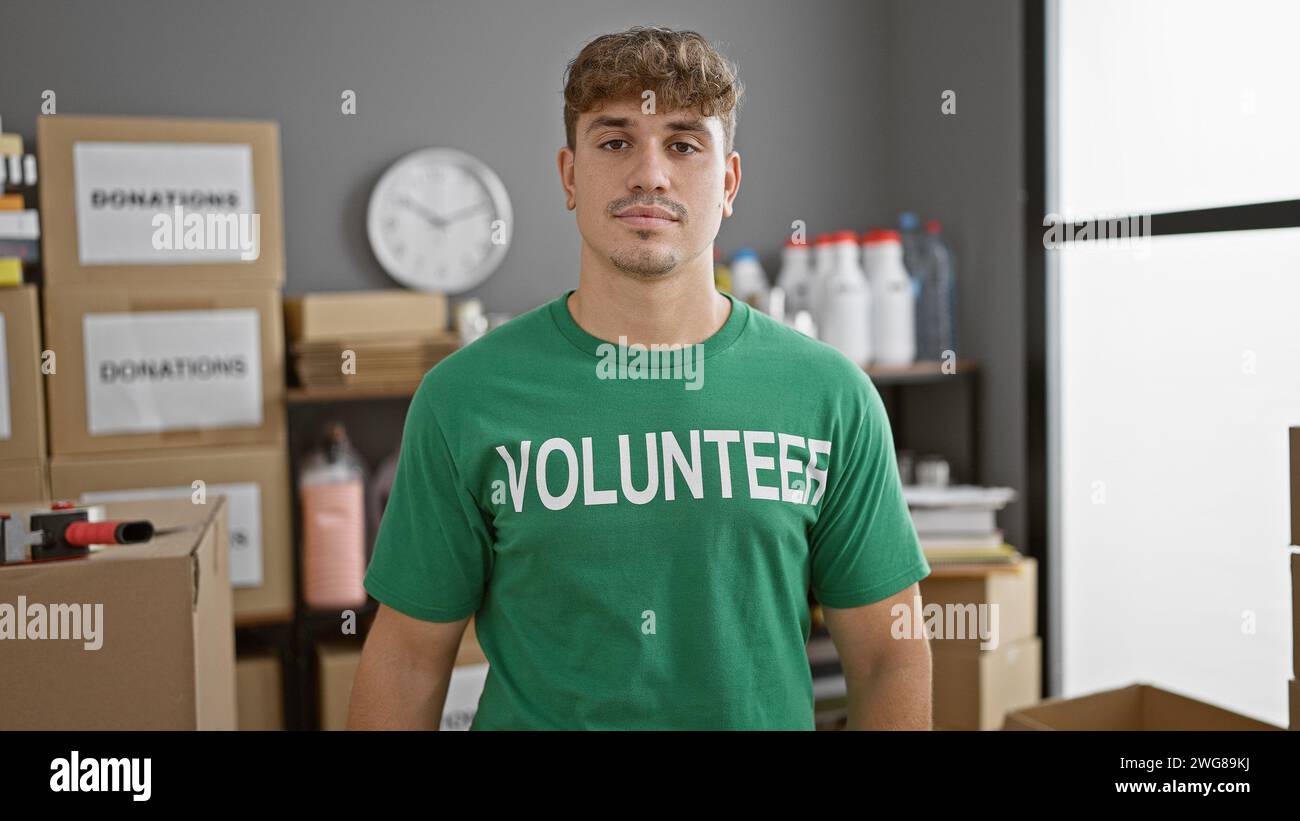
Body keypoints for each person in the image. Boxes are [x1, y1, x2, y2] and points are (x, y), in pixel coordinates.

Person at [348, 25, 931, 730]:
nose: (649, 174)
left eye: (684, 144)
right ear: (570, 174)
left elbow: (887, 658)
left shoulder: (832, 397)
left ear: (729, 181)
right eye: (616, 141)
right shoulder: (462, 397)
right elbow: (408, 657)